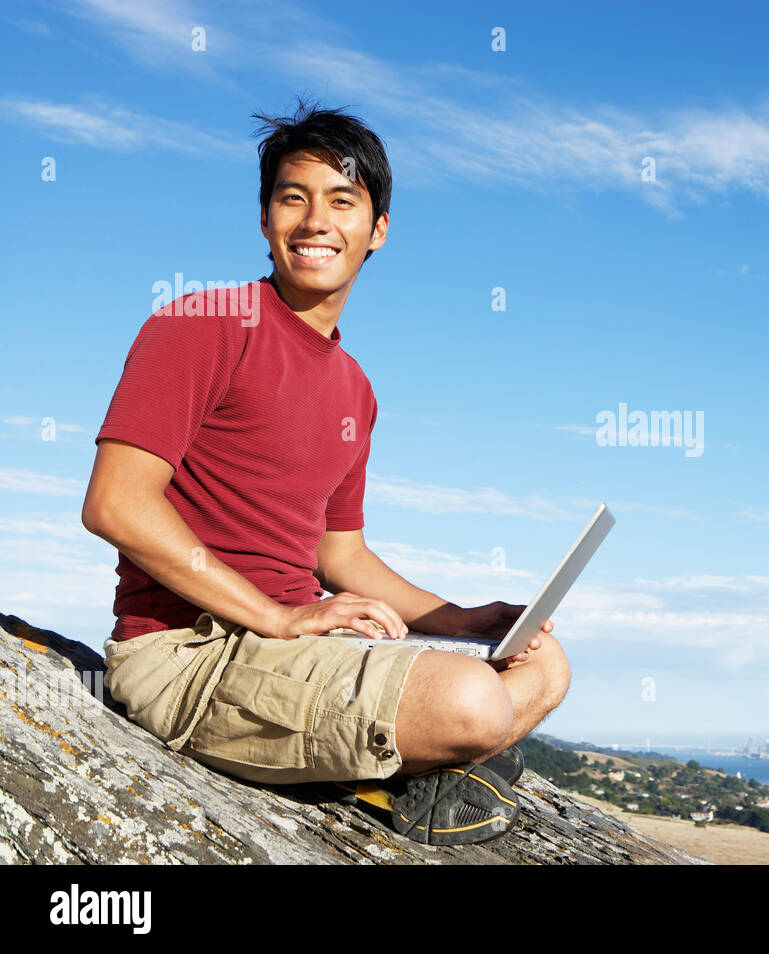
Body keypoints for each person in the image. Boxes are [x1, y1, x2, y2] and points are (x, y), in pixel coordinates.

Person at [81, 98, 570, 845]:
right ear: (265, 218)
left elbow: (337, 555)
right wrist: (278, 616)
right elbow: (116, 504)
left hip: (297, 647)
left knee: (546, 669)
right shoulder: (202, 324)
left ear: (376, 230)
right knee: (474, 703)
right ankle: (408, 772)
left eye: (342, 201)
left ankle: (403, 771)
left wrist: (464, 619)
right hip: (190, 654)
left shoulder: (356, 388)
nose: (315, 222)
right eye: (292, 197)